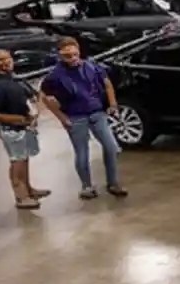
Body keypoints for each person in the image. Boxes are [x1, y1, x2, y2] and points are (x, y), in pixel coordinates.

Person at [40, 37, 128, 199]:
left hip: (97, 112)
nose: (73, 59)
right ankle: (86, 186)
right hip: (75, 116)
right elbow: (44, 96)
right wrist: (61, 117)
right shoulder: (55, 76)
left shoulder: (91, 66)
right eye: (67, 56)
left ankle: (113, 182)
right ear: (60, 56)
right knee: (82, 153)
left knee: (112, 147)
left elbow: (107, 83)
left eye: (75, 54)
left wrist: (113, 104)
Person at [0, 50, 50, 209]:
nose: (5, 63)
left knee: (24, 159)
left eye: (7, 59)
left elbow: (32, 95)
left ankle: (28, 188)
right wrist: (14, 119)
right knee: (17, 161)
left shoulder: (16, 78)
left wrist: (34, 112)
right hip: (11, 129)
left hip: (26, 126)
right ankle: (21, 196)